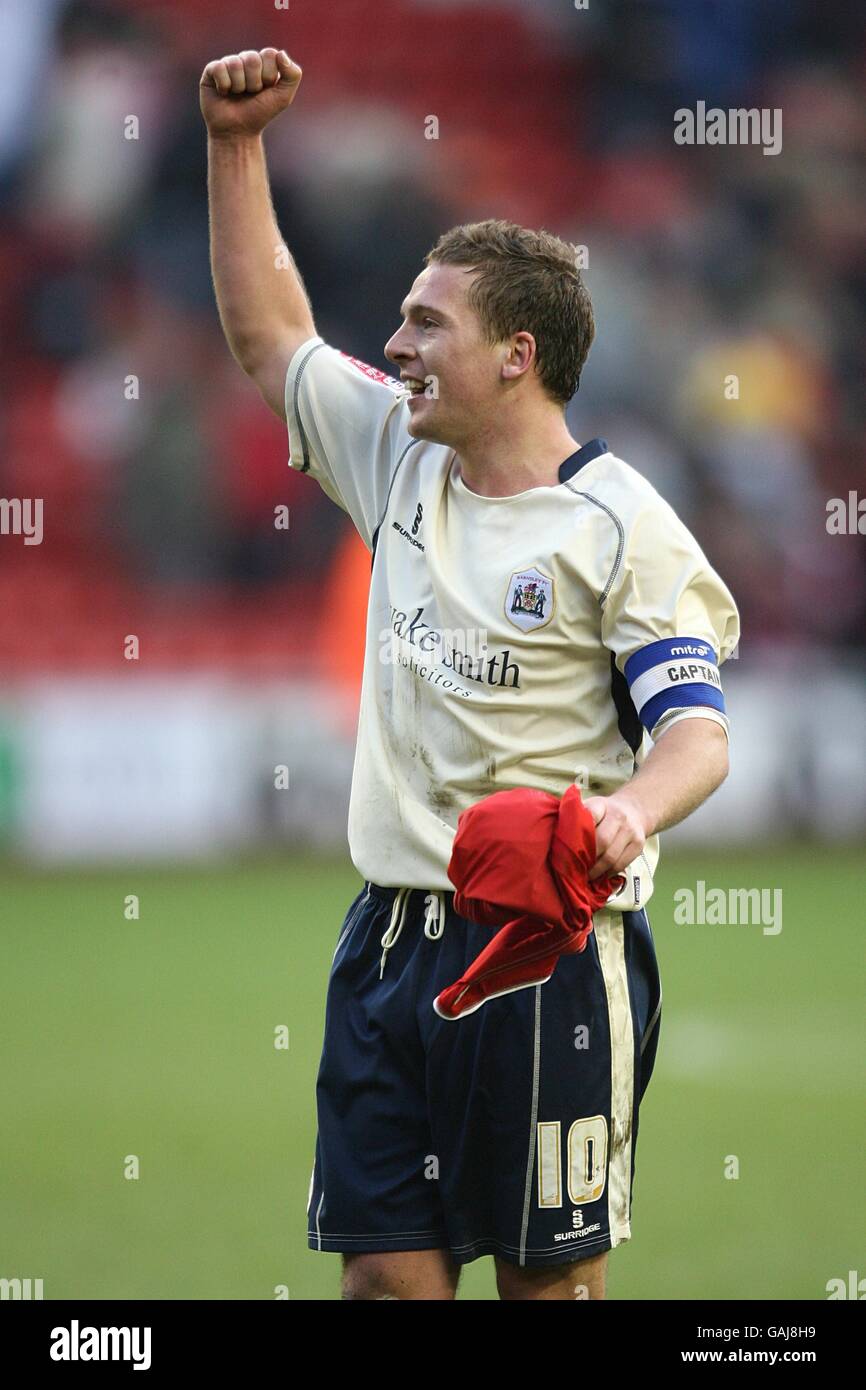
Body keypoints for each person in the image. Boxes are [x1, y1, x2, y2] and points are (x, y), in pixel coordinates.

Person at [201, 47, 740, 1301]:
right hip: (386, 940)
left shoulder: (620, 526)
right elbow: (265, 330)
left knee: (546, 1293)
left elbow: (696, 735)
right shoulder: (396, 453)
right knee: (387, 1286)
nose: (392, 346)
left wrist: (624, 815)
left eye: (423, 323)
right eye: (396, 320)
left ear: (517, 353)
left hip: (546, 952)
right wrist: (234, 145)